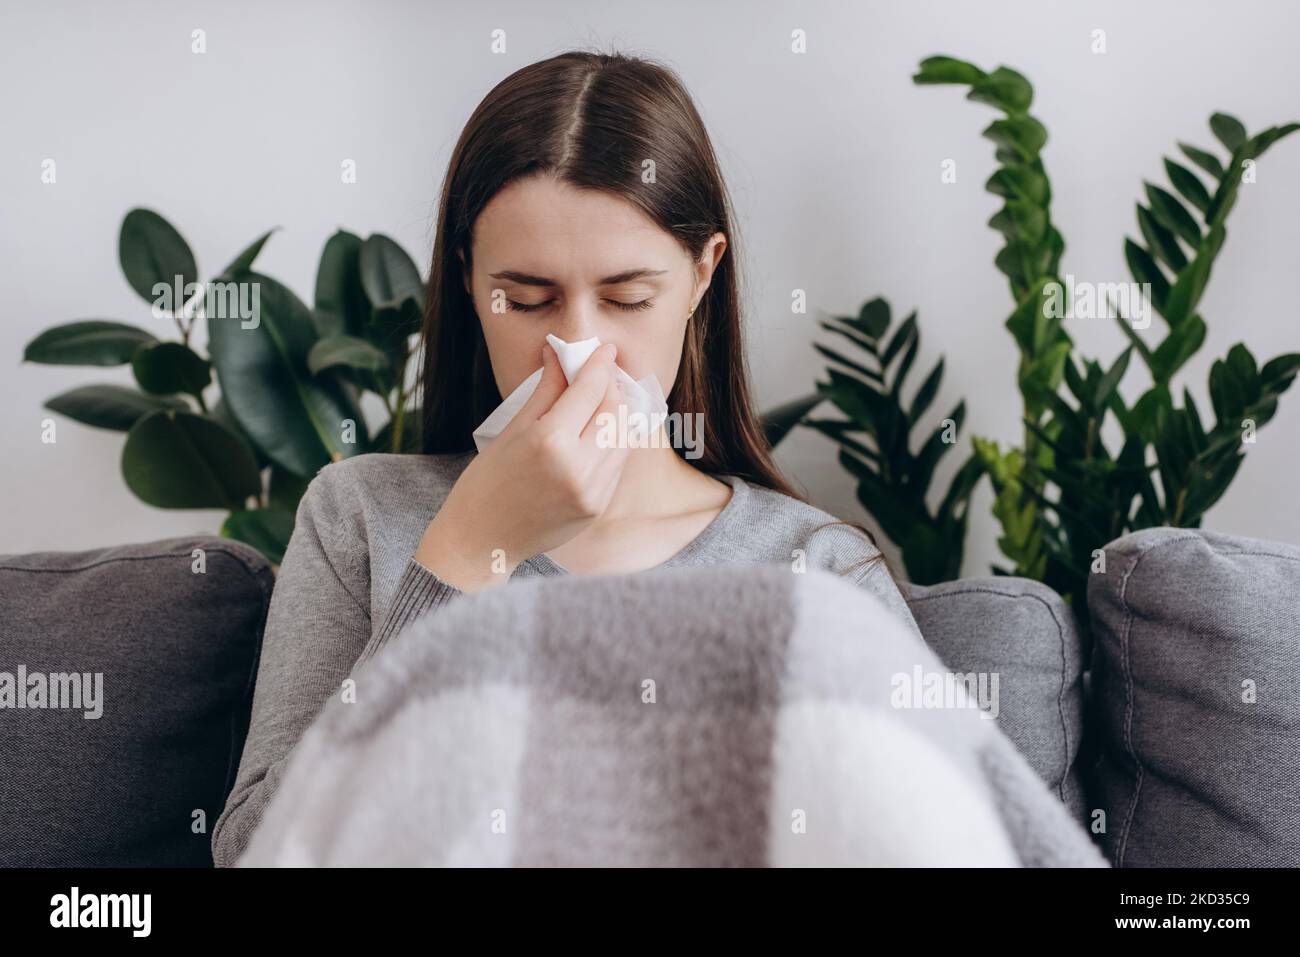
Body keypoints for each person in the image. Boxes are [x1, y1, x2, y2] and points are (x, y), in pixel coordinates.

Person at [212, 49, 925, 867]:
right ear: (469, 281)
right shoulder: (360, 517)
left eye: (627, 298)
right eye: (528, 298)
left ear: (701, 276)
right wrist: (469, 552)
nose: (580, 351)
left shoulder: (818, 570)